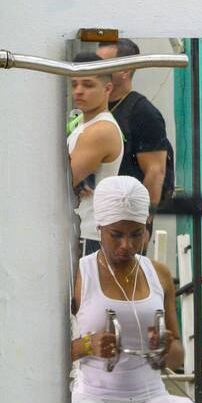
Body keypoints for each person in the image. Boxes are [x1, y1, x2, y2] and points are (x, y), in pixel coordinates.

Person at [70, 176, 193, 403]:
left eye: (136, 234)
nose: (127, 245)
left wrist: (165, 348)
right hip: (95, 398)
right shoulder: (78, 274)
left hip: (150, 399)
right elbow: (46, 355)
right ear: (99, 228)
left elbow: (178, 357)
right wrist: (88, 345)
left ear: (147, 226)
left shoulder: (159, 275)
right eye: (116, 235)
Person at [95, 38, 176, 222]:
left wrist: (142, 224)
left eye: (103, 63)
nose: (95, 69)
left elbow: (155, 172)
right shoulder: (98, 106)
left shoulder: (142, 112)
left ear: (125, 70)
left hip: (125, 222)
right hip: (98, 215)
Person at [67, 50, 124, 257]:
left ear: (108, 88)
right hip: (82, 231)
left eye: (88, 85)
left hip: (89, 235)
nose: (79, 91)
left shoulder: (101, 130)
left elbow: (63, 181)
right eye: (74, 84)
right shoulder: (85, 124)